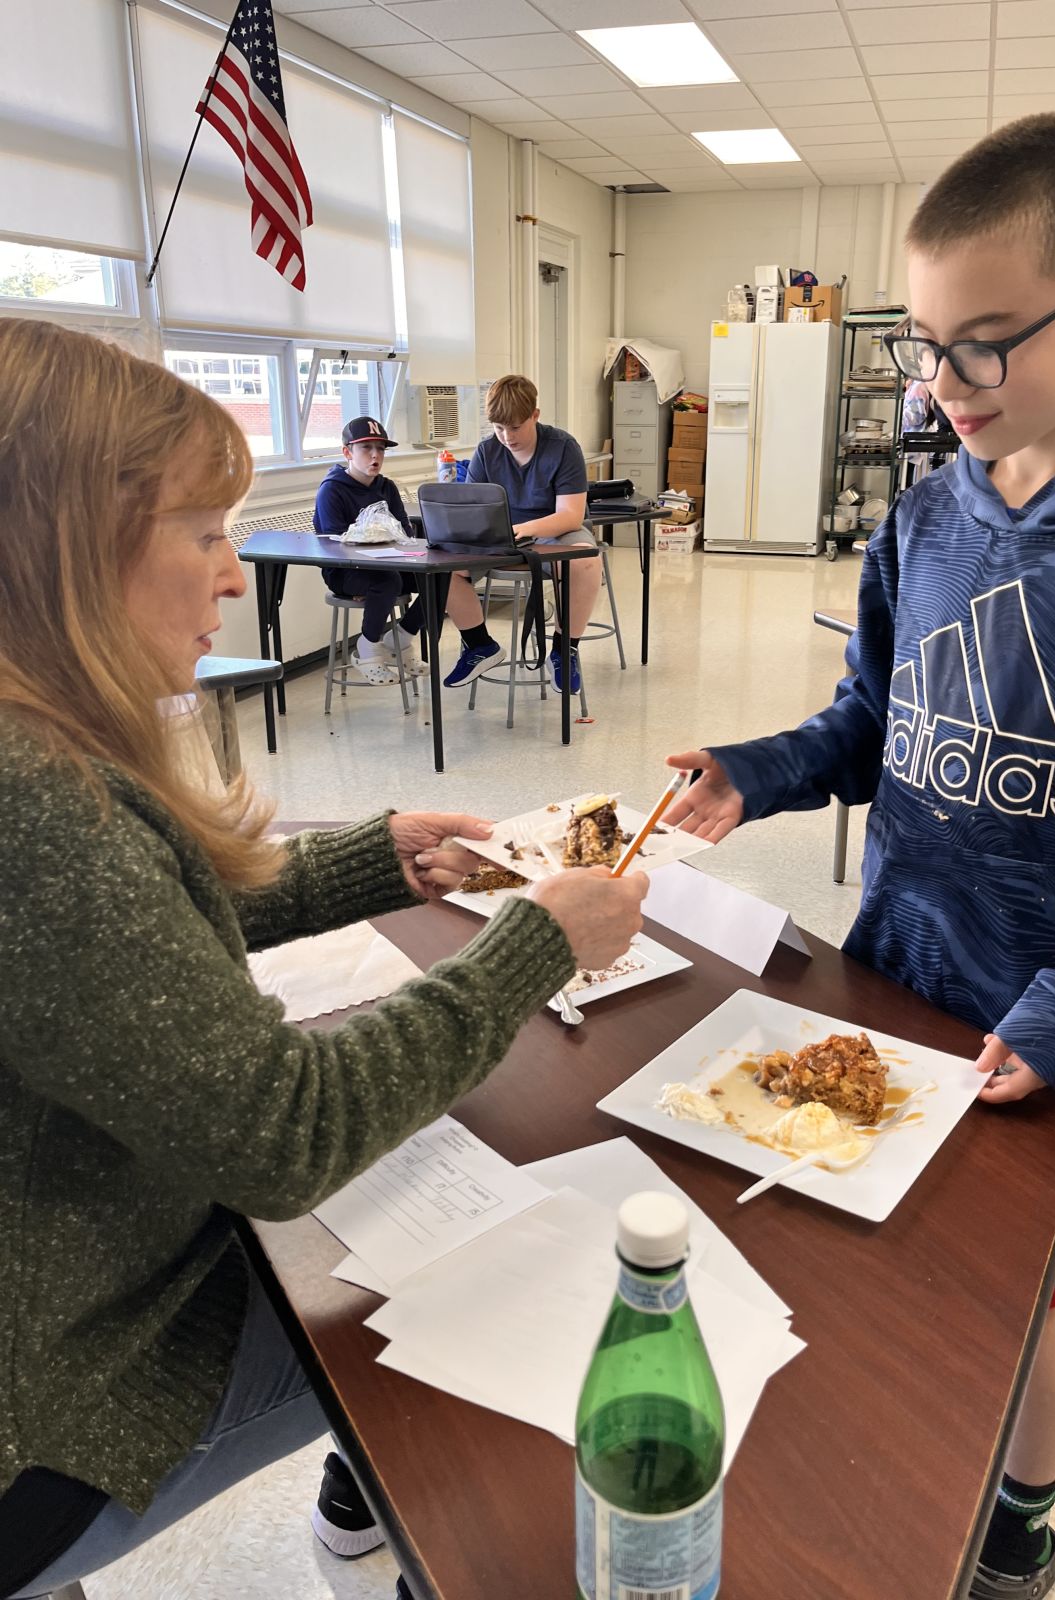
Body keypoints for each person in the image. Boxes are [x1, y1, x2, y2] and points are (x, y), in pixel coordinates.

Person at [0, 318, 648, 1599]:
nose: (232, 580)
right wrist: (536, 943)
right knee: (500, 1260)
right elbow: (284, 1136)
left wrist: (368, 859)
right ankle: (423, 1545)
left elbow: (127, 947)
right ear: (78, 553)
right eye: (205, 536)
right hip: (50, 1413)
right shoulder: (34, 808)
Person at [664, 111, 1055, 1600]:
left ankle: (1019, 1516)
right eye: (925, 345)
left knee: (1031, 1301)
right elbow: (867, 728)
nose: (941, 385)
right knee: (879, 1263)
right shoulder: (924, 522)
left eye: (985, 344)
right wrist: (755, 773)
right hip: (895, 990)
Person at [440, 374, 600, 697]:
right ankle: (479, 644)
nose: (507, 437)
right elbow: (475, 510)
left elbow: (570, 515)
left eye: (515, 427)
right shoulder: (487, 452)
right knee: (443, 566)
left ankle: (564, 650)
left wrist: (524, 530)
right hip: (501, 537)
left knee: (585, 561)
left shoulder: (564, 448)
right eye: (499, 428)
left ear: (535, 416)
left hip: (556, 532)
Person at [314, 416, 427, 683]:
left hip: (388, 566)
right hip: (345, 571)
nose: (375, 455)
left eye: (381, 449)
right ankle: (367, 648)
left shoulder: (387, 487)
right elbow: (334, 544)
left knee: (440, 578)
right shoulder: (331, 491)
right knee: (387, 581)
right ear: (347, 452)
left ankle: (401, 638)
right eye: (366, 448)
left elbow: (404, 532)